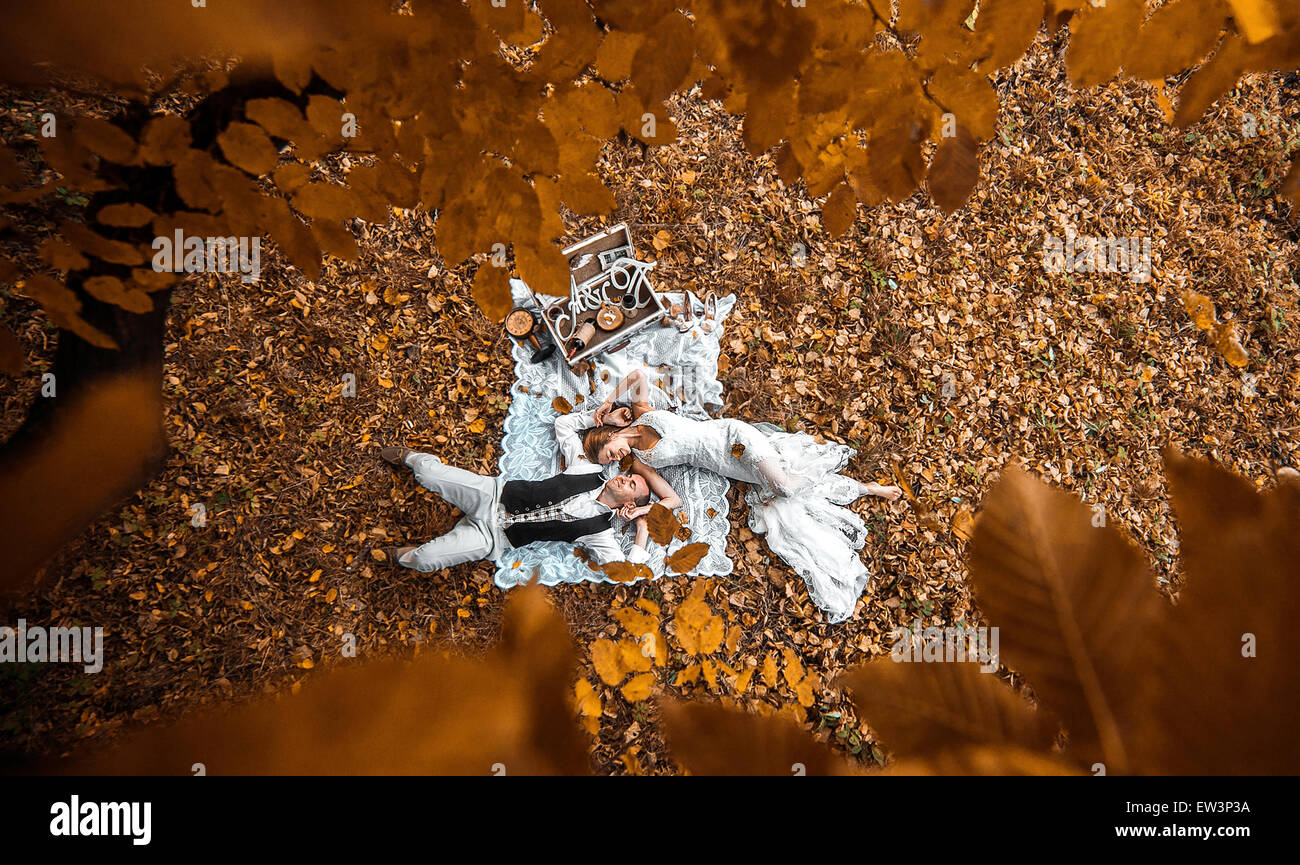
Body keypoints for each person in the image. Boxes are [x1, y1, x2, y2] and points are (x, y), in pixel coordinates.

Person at [563, 369, 901, 623]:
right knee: (786, 495)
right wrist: (642, 513)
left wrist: (608, 402)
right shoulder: (641, 462)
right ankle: (866, 488)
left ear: (608, 435)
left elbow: (636, 375)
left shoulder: (641, 411)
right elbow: (674, 500)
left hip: (733, 436)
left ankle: (844, 484)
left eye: (610, 453)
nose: (616, 460)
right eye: (611, 461)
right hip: (727, 465)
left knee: (784, 487)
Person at [376, 443, 678, 572]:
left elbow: (624, 570)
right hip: (490, 493)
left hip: (494, 537)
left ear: (629, 503)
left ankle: (403, 556)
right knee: (428, 474)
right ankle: (411, 457)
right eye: (627, 476)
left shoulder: (600, 533)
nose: (624, 479)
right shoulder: (586, 470)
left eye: (631, 485)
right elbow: (564, 425)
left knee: (427, 560)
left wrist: (641, 528)